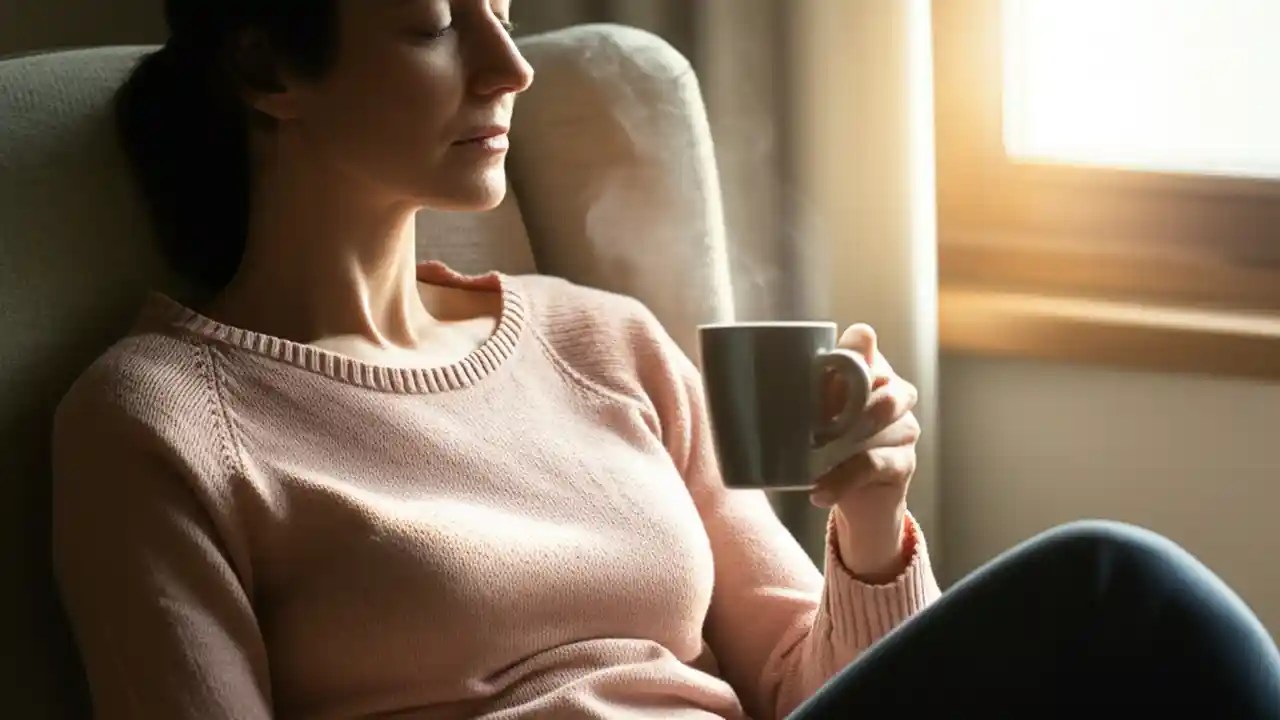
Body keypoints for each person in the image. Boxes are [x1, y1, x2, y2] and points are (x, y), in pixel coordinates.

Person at [50, 0, 1280, 718]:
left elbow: (809, 691)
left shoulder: (602, 340)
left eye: (502, 6)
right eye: (435, 24)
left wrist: (865, 519)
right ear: (270, 70)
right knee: (1111, 589)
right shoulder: (156, 421)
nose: (508, 64)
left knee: (1125, 626)